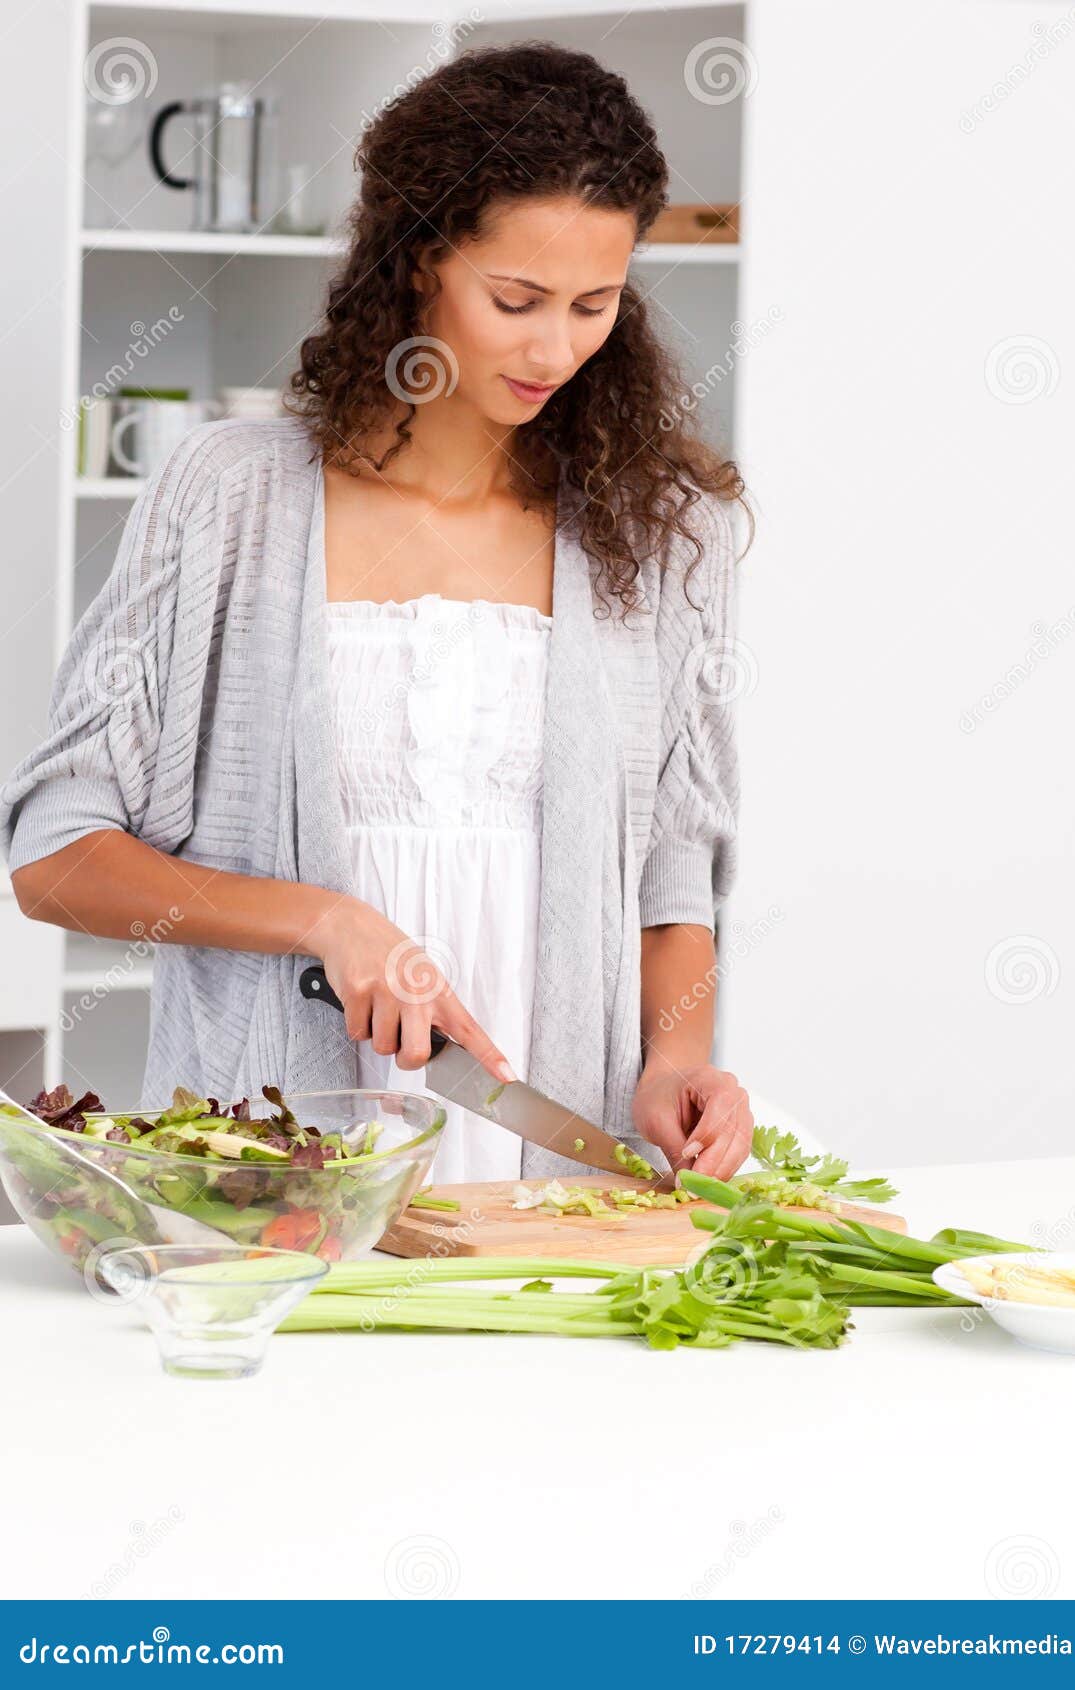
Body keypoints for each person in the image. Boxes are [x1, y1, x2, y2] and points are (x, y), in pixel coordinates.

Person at [1, 42, 755, 1186]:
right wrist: (319, 919)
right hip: (277, 1170)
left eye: (593, 303)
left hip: (554, 1170)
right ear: (417, 263)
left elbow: (674, 869)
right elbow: (55, 856)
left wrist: (673, 1060)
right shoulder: (231, 498)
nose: (556, 347)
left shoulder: (653, 534)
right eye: (515, 299)